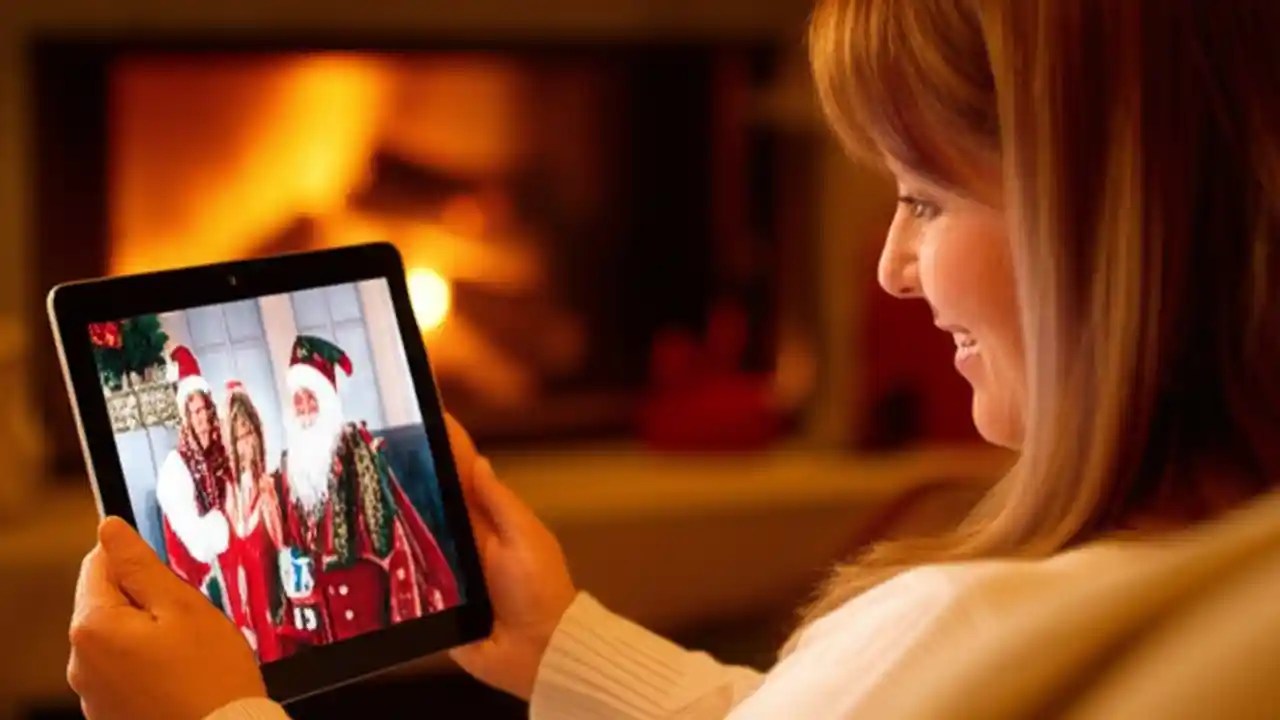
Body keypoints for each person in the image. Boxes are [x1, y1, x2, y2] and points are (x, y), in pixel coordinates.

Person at [68, 1, 1280, 719]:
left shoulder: (981, 626)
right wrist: (562, 646)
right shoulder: (1191, 592)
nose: (889, 270)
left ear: (1108, 218)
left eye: (922, 197)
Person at [271, 335, 460, 646]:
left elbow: (389, 532)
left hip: (364, 603)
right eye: (298, 399)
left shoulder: (357, 449)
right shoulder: (291, 471)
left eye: (311, 397)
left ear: (327, 401)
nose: (304, 409)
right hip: (324, 613)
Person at [154, 345, 234, 612]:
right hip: (200, 575)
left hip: (233, 560)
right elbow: (192, 537)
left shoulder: (223, 451)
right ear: (186, 418)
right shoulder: (177, 465)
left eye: (203, 410)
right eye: (194, 413)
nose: (201, 419)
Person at [221, 380, 287, 663]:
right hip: (247, 626)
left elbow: (284, 553)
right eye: (238, 437)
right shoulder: (228, 498)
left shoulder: (271, 489)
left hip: (277, 619)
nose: (246, 444)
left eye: (249, 433)